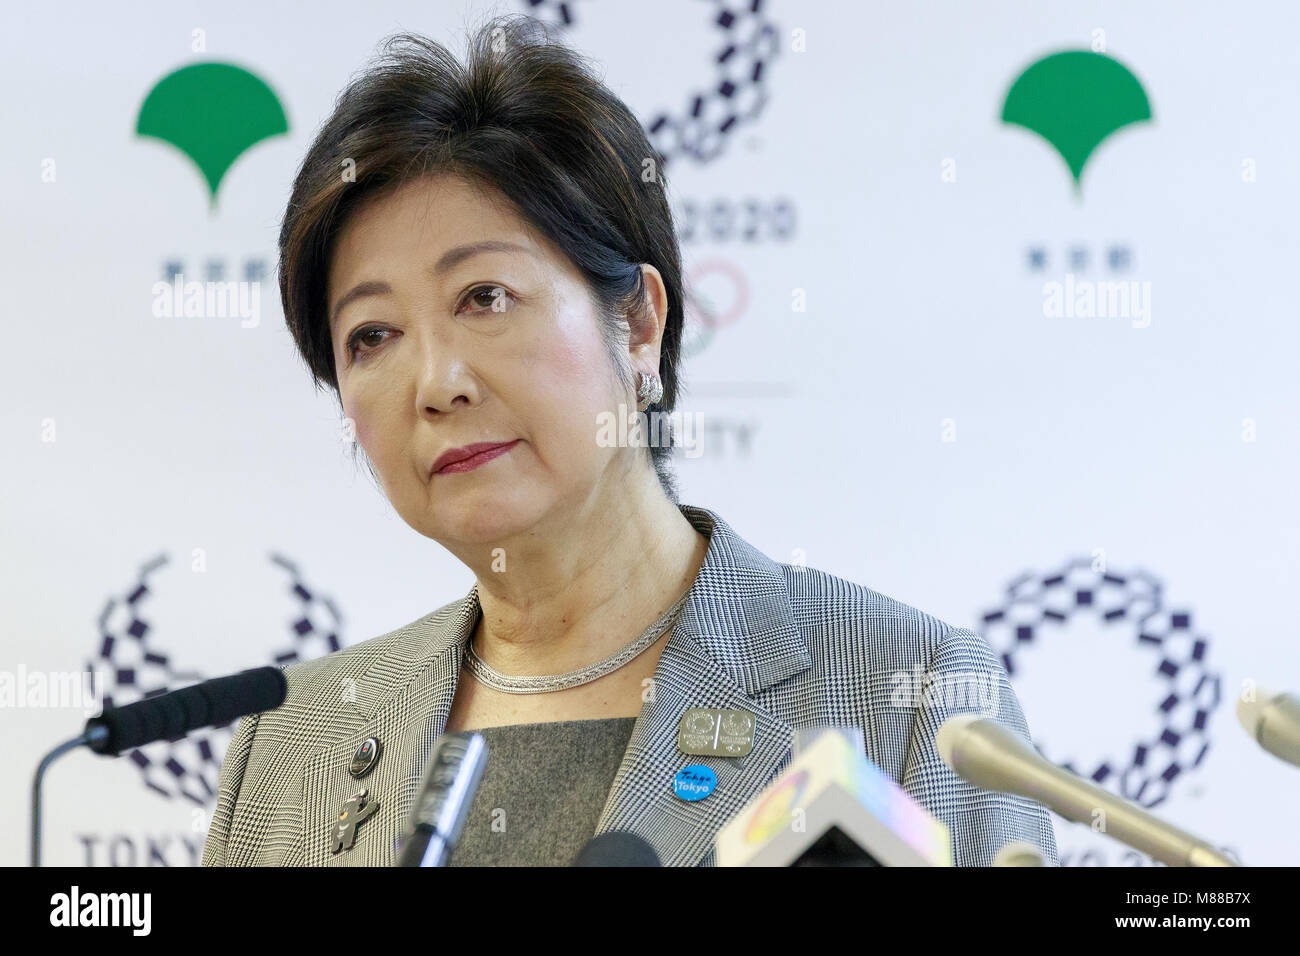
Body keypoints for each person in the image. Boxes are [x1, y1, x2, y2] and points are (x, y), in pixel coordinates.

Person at [202, 14, 1057, 867]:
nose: (437, 384)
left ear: (640, 322)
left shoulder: (907, 697)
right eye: (372, 336)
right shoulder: (289, 752)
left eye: (485, 297)